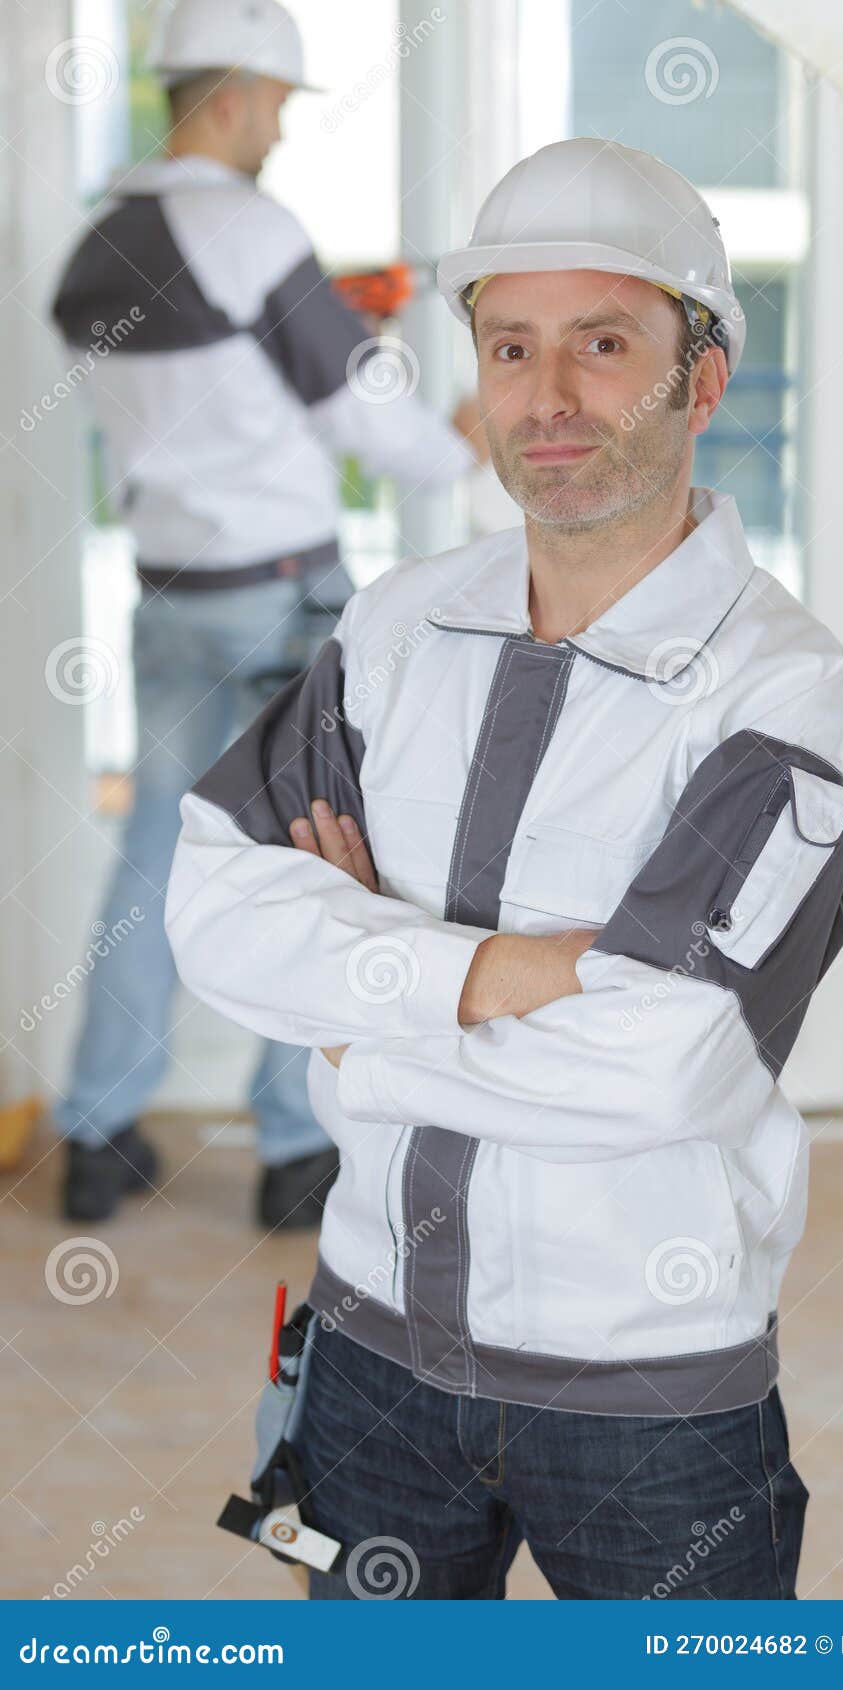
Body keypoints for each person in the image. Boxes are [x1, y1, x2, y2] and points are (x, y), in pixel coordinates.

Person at [165, 138, 843, 1598]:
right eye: (510, 347)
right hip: (365, 1364)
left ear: (700, 377)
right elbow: (209, 907)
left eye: (601, 345)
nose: (546, 396)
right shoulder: (390, 628)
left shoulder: (779, 694)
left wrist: (356, 1013)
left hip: (650, 1402)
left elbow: (664, 1060)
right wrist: (524, 975)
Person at [49, 0, 486, 1228]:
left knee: (152, 855)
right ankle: (297, 1154)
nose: (281, 133)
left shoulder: (97, 247)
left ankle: (96, 1136)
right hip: (284, 598)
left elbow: (213, 388)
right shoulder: (244, 226)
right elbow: (356, 413)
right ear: (233, 95)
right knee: (315, 863)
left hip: (169, 591)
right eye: (280, 107)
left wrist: (307, 340)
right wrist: (448, 452)